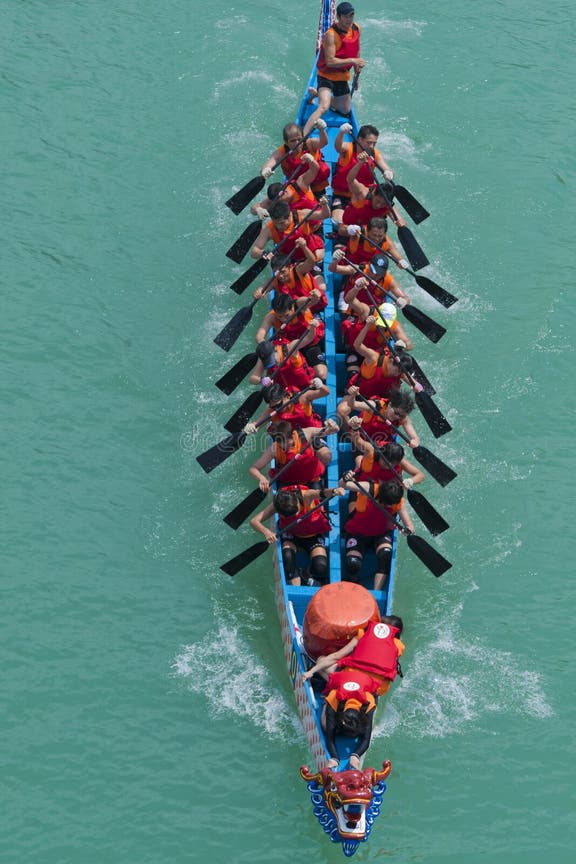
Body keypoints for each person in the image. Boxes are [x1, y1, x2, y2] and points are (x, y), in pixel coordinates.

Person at [303, 614, 405, 714]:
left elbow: (336, 656)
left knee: (321, 660)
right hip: (374, 689)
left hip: (350, 680)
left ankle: (335, 687)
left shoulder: (362, 636)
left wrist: (311, 671)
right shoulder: (398, 647)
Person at [250, 485, 343, 586]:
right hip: (291, 534)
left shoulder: (307, 495)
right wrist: (267, 532)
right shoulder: (277, 505)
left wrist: (334, 490)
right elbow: (254, 521)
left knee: (320, 566)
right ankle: (295, 586)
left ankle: (305, 574)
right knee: (288, 557)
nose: (296, 514)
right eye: (291, 515)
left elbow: (322, 493)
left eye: (296, 510)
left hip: (312, 535)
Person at [340, 475, 415, 589]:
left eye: (391, 504)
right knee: (353, 563)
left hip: (381, 535)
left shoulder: (397, 500)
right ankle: (353, 582)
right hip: (357, 533)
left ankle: (375, 592)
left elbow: (410, 526)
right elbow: (342, 484)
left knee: (385, 555)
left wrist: (407, 530)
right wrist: (346, 477)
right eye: (387, 504)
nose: (389, 506)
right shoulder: (369, 488)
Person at [303, 3, 365, 136]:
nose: (349, 19)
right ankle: (303, 136)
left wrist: (356, 74)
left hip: (341, 76)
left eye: (351, 15)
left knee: (346, 109)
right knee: (323, 107)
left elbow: (356, 51)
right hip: (326, 75)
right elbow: (330, 62)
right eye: (346, 16)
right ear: (338, 17)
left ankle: (316, 94)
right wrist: (352, 61)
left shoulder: (356, 28)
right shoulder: (331, 35)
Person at [247, 419, 339, 492]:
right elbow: (253, 469)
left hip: (312, 479)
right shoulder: (274, 449)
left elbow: (331, 431)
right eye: (281, 443)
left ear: (293, 435)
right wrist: (262, 478)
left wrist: (332, 426)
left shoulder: (306, 433)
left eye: (287, 442)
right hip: (290, 483)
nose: (285, 446)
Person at [254, 292, 327, 381]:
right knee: (275, 374)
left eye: (286, 315)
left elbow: (312, 301)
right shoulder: (271, 317)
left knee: (321, 374)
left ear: (292, 308)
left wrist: (315, 296)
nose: (284, 319)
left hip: (309, 344)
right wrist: (265, 346)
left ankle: (309, 380)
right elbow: (259, 336)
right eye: (280, 316)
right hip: (288, 349)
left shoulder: (299, 304)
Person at [331, 123, 395, 223]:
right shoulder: (348, 148)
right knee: (338, 221)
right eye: (369, 143)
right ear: (360, 139)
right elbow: (338, 147)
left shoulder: (375, 154)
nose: (372, 146)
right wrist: (341, 133)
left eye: (374, 143)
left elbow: (387, 168)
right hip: (342, 194)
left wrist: (389, 173)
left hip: (364, 196)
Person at [321, 667, 381, 769]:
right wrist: (334, 758)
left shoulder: (369, 702)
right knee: (325, 726)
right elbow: (329, 737)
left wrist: (355, 756)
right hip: (343, 677)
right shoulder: (334, 698)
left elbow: (366, 739)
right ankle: (324, 704)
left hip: (365, 680)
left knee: (368, 726)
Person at [253, 239, 327, 312]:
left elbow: (311, 262)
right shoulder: (273, 281)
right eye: (277, 272)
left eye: (283, 272)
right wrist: (258, 293)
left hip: (315, 305)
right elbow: (262, 289)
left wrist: (304, 247)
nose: (280, 276)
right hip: (293, 311)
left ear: (289, 267)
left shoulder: (298, 270)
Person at [260, 121, 330, 196]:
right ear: (286, 142)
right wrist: (265, 170)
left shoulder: (310, 144)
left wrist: (322, 130)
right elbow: (271, 162)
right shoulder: (282, 152)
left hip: (317, 186)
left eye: (299, 139)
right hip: (298, 187)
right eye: (292, 141)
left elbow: (323, 142)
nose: (297, 143)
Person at [337, 385, 420, 448]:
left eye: (400, 415)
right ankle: (348, 437)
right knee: (359, 460)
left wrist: (415, 442)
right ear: (390, 404)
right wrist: (352, 395)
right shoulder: (374, 406)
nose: (397, 417)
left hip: (383, 445)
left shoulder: (403, 417)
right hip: (362, 440)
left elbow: (415, 438)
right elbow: (353, 405)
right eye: (396, 412)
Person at [250, 198, 330, 262]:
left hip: (311, 250)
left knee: (316, 258)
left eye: (281, 223)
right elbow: (254, 252)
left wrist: (325, 205)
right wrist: (263, 253)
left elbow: (324, 215)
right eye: (275, 223)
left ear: (289, 216)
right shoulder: (269, 229)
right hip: (289, 259)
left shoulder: (301, 215)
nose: (278, 226)